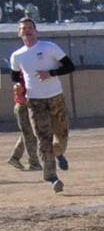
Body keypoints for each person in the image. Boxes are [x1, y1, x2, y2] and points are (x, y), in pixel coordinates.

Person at [10, 18, 76, 194]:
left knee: (61, 136)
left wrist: (51, 73)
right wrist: (18, 87)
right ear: (19, 33)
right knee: (43, 139)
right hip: (35, 102)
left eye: (30, 28)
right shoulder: (17, 55)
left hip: (55, 98)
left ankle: (59, 153)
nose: (27, 31)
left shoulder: (48, 47)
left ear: (36, 31)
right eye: (24, 28)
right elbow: (16, 77)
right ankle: (52, 178)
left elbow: (70, 66)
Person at [8, 81, 41, 171]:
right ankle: (34, 163)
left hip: (27, 106)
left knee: (27, 134)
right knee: (29, 135)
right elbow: (17, 87)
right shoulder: (23, 77)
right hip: (23, 107)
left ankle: (15, 157)